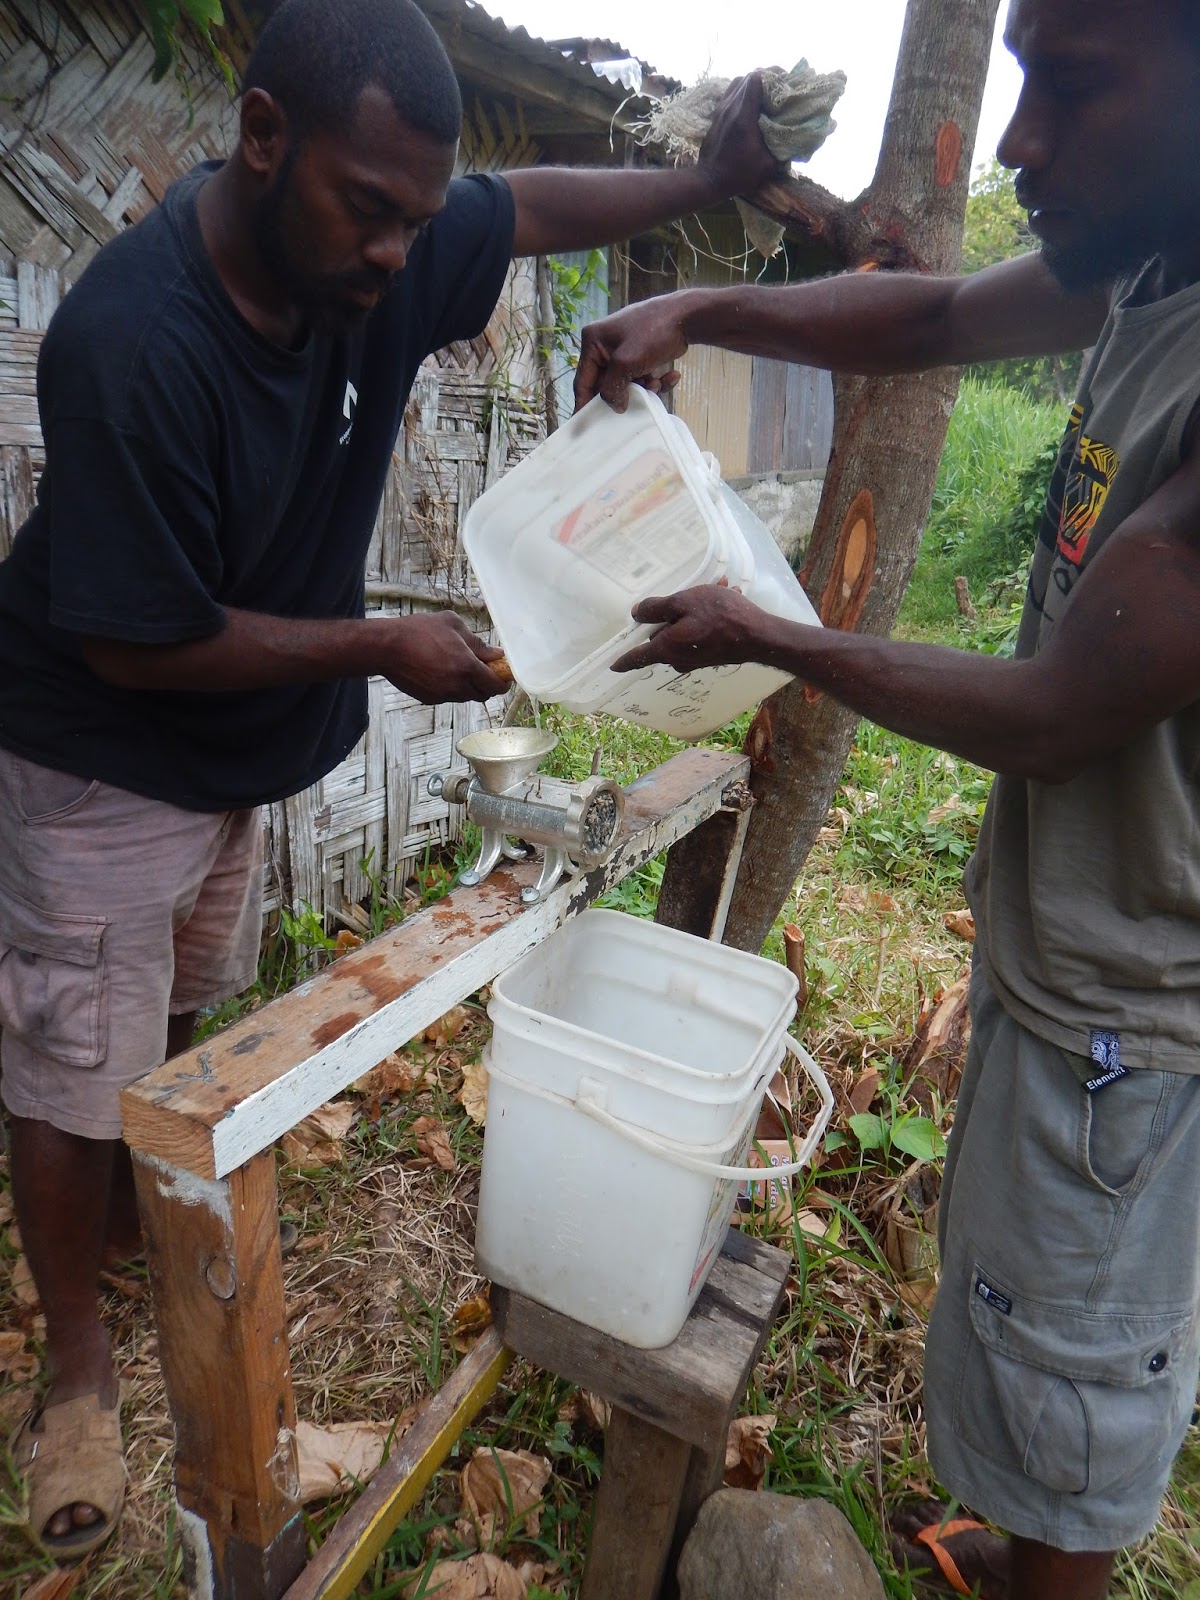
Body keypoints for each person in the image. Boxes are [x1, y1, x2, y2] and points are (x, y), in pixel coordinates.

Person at [0, 0, 781, 1559]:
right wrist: (375, 643)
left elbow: (539, 206)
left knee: (166, 1032)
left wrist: (706, 185)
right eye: (371, 214)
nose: (394, 256)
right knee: (71, 1059)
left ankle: (147, 1238)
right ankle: (74, 1360)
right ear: (264, 133)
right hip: (96, 747)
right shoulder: (130, 345)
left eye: (416, 222)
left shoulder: (374, 236)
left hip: (234, 754)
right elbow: (142, 651)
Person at [573, 1, 1200, 1597]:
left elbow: (1063, 717)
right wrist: (705, 304)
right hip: (1077, 940)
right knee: (1030, 1307)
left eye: (1070, 86)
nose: (1016, 144)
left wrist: (768, 635)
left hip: (1145, 997)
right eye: (1014, 85)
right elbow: (924, 323)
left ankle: (1053, 1572)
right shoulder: (1153, 262)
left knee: (1077, 1352)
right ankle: (1019, 1543)